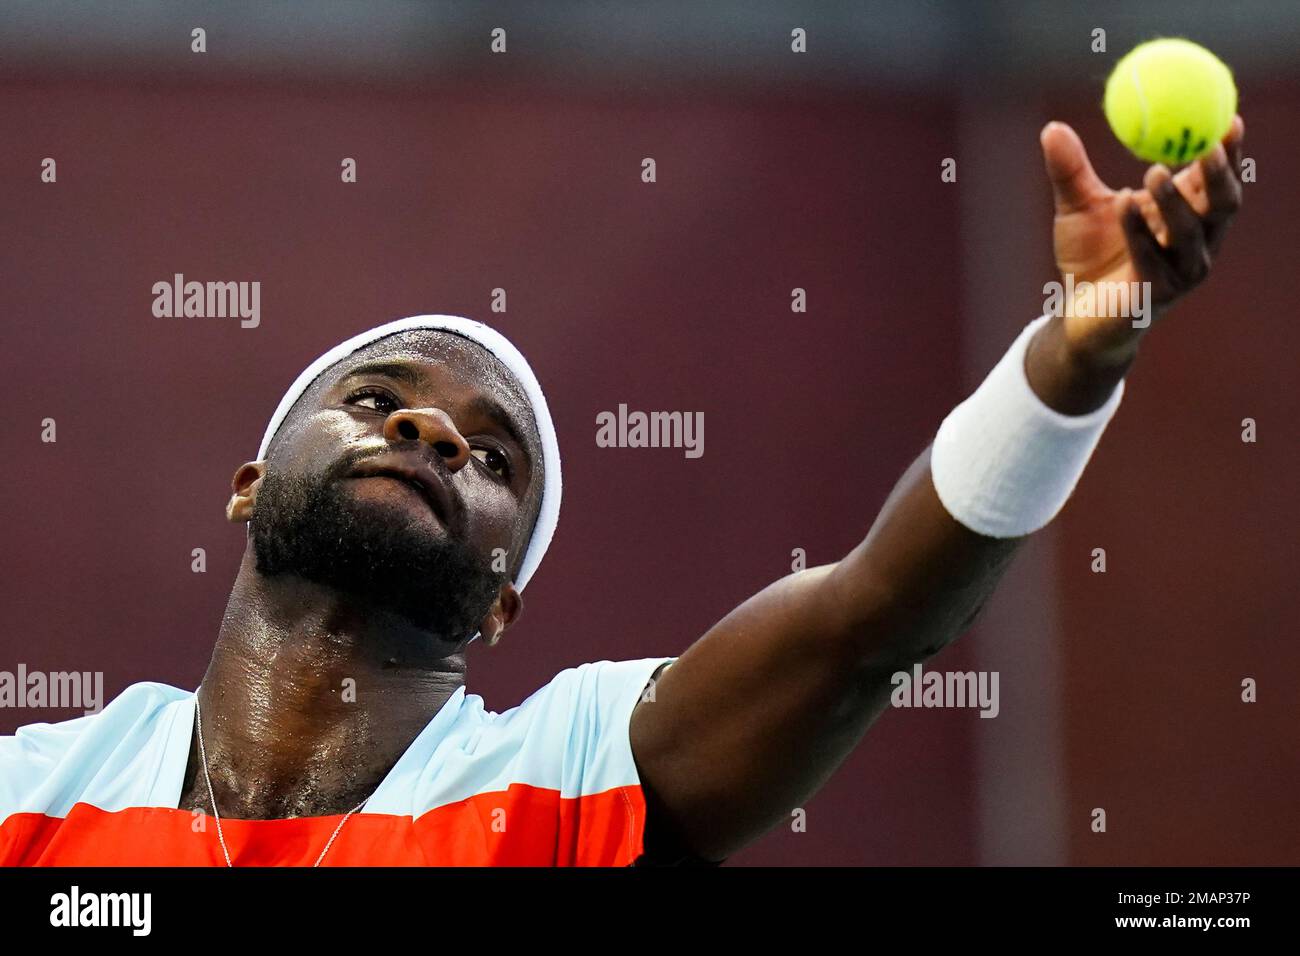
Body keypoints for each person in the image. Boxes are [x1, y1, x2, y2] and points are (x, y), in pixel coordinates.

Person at [0, 117, 1245, 866]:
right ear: (250, 484)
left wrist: (1078, 357)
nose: (432, 428)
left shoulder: (570, 770)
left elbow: (868, 621)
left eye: (494, 462)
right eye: (378, 402)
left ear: (500, 607)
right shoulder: (34, 794)